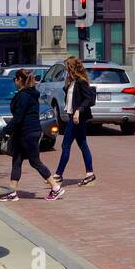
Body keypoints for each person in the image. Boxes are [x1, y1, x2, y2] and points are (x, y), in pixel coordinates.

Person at [2, 69, 62, 202]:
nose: (14, 82)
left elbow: (19, 117)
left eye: (15, 79)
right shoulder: (31, 94)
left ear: (19, 80)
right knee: (16, 161)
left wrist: (6, 130)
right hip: (27, 132)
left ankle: (55, 187)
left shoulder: (24, 96)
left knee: (35, 162)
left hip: (27, 133)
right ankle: (12, 192)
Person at [54, 56, 96, 187]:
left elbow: (88, 98)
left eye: (67, 66)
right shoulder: (72, 81)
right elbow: (70, 98)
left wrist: (78, 110)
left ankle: (58, 174)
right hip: (73, 116)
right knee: (83, 144)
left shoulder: (81, 81)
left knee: (65, 145)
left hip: (77, 118)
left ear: (71, 67)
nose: (65, 69)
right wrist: (66, 84)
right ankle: (90, 174)